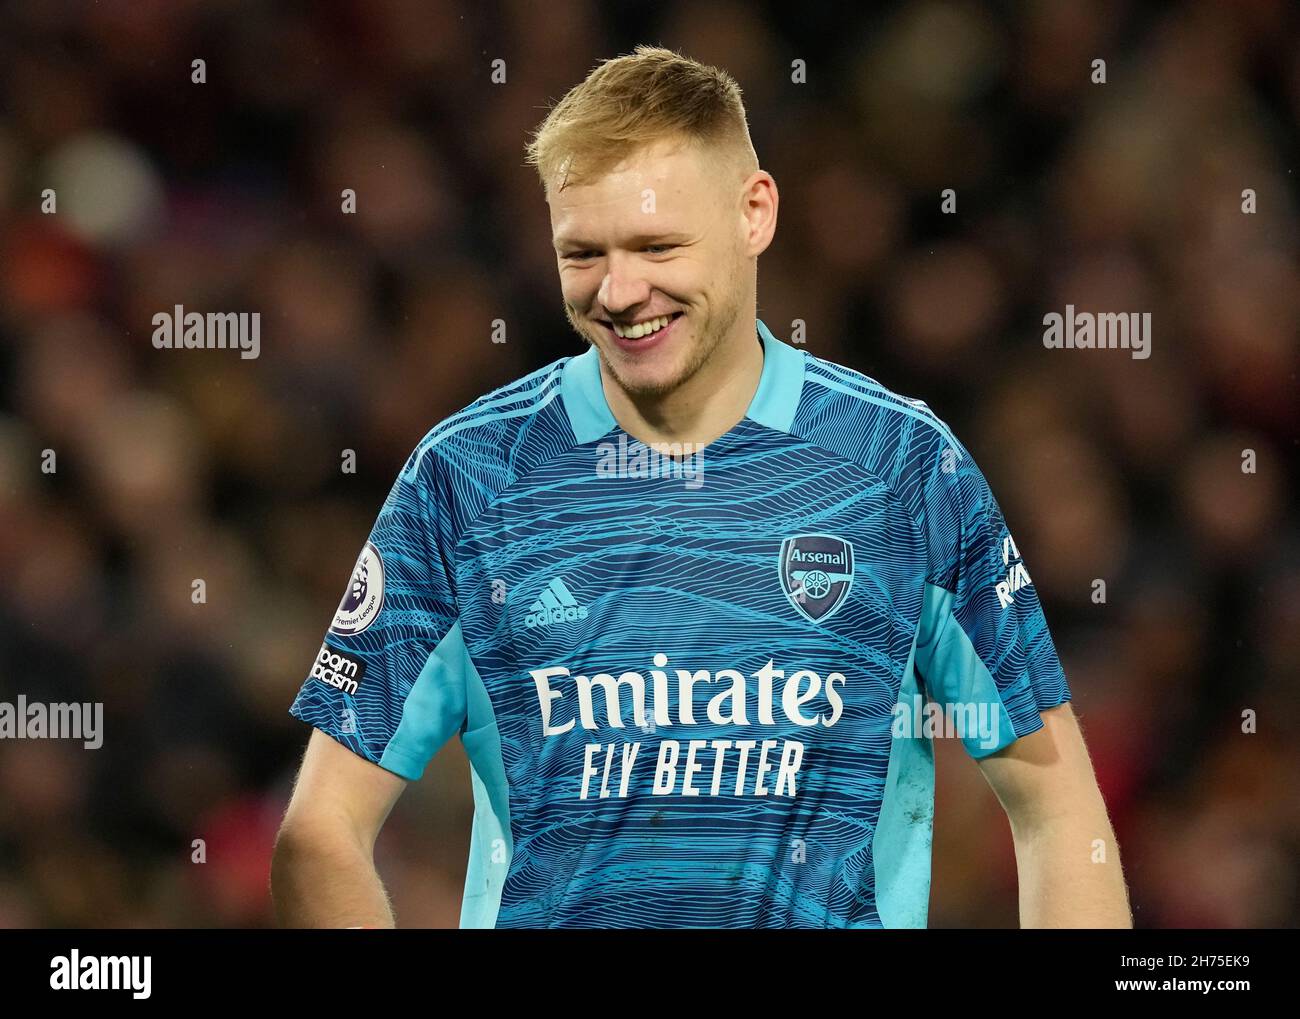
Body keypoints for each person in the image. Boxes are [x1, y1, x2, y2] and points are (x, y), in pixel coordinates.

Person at [271, 45, 1132, 929]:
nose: (619, 291)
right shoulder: (469, 481)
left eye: (656, 246)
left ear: (754, 213)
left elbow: (1056, 808)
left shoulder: (901, 468)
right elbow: (318, 831)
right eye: (583, 253)